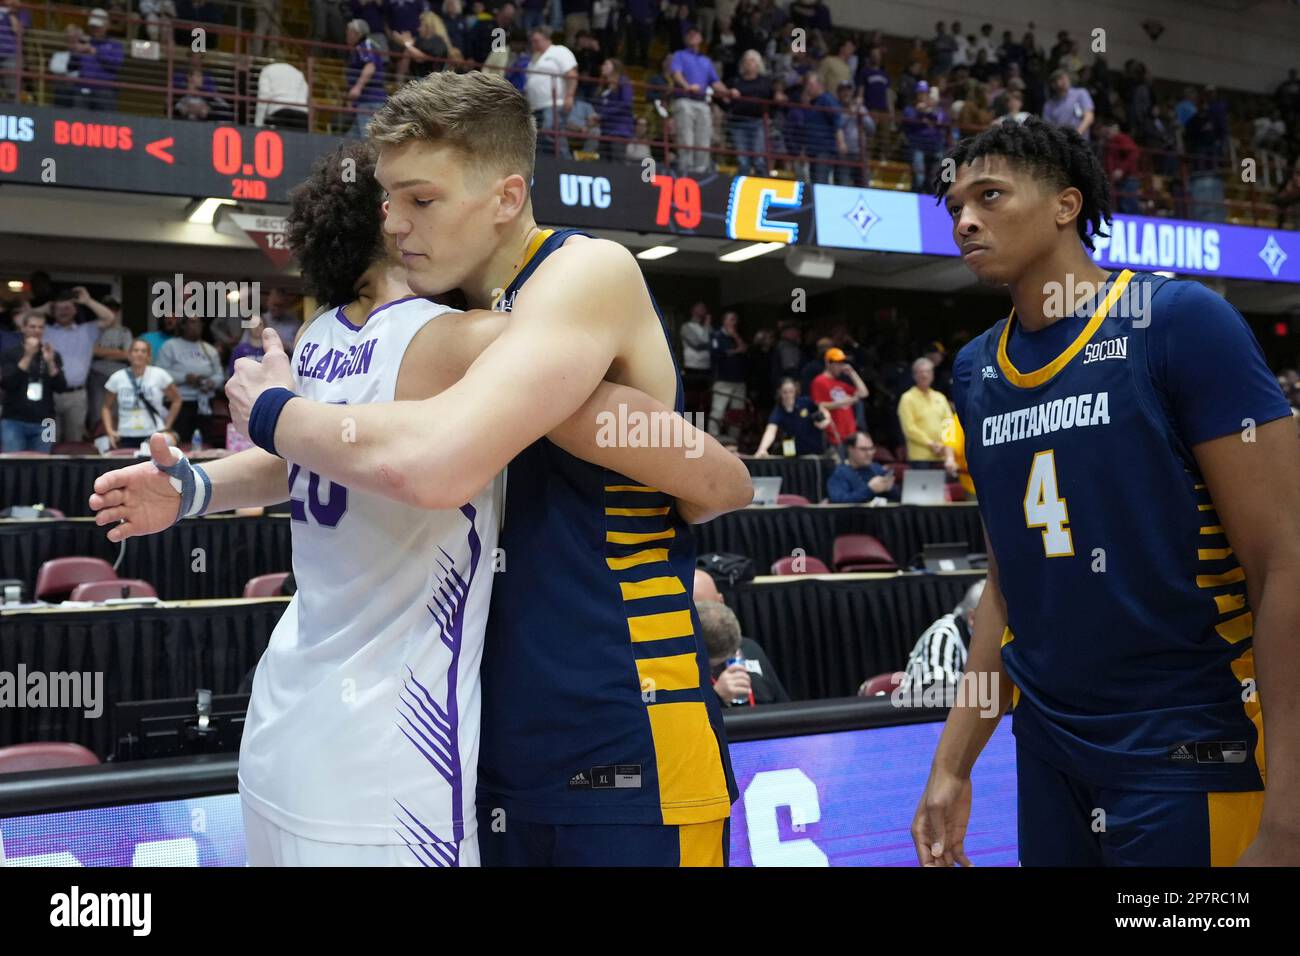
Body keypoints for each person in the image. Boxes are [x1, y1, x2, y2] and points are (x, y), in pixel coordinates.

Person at [90, 140, 747, 866]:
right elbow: (699, 468)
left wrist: (203, 484)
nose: (413, 220)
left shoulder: (314, 343)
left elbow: (332, 446)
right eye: (406, 205)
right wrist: (708, 477)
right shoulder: (466, 340)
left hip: (286, 722)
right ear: (390, 229)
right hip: (395, 752)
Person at [915, 116, 1300, 866]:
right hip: (1050, 751)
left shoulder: (1179, 322)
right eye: (955, 205)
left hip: (1192, 746)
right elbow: (1006, 583)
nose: (965, 220)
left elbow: (1283, 564)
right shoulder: (974, 370)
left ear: (1066, 204)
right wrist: (953, 763)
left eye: (989, 195)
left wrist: (1290, 812)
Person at [693, 571, 789, 706]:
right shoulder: (672, 664)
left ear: (721, 601)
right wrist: (717, 697)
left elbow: (785, 707)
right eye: (696, 612)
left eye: (709, 607)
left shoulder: (749, 648)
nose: (706, 616)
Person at [38, 288, 117, 444]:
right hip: (49, 396)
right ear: (53, 311)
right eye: (59, 308)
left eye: (67, 307)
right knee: (48, 441)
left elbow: (110, 318)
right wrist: (43, 308)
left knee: (74, 443)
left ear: (75, 310)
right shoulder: (44, 331)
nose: (63, 312)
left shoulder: (87, 330)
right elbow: (20, 321)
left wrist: (88, 301)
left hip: (76, 397)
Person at [891, 580, 985, 693]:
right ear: (972, 618)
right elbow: (940, 694)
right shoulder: (943, 636)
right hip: (919, 703)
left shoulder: (986, 641)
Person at [0, 312, 65, 453]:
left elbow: (61, 387)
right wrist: (28, 355)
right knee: (14, 463)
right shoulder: (9, 353)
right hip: (13, 420)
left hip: (46, 421)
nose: (37, 331)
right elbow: (7, 383)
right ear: (23, 328)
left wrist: (50, 363)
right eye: (32, 327)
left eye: (40, 327)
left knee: (43, 463)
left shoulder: (52, 354)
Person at [101, 340, 181, 449]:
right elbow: (106, 407)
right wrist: (109, 431)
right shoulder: (117, 377)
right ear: (129, 355)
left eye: (143, 351)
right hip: (126, 434)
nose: (139, 354)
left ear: (149, 356)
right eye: (136, 350)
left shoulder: (159, 375)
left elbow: (176, 400)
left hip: (154, 433)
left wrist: (167, 426)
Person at [670, 27, 728, 176]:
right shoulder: (679, 55)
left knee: (703, 141)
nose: (692, 35)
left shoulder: (706, 61)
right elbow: (676, 74)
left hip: (702, 102)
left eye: (695, 34)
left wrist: (728, 92)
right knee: (686, 139)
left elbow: (715, 82)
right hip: (684, 100)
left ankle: (700, 173)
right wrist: (687, 86)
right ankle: (684, 171)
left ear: (701, 38)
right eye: (689, 34)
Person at [158, 315, 223, 441]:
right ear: (183, 325)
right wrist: (185, 378)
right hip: (180, 403)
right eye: (193, 322)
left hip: (204, 403)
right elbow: (161, 373)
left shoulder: (209, 349)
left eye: (199, 323)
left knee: (204, 441)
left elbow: (219, 375)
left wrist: (211, 382)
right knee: (180, 440)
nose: (198, 326)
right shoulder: (170, 346)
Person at [524, 25, 578, 158]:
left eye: (536, 41)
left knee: (551, 132)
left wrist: (570, 96)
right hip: (536, 107)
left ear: (546, 38)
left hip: (553, 104)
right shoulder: (534, 59)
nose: (533, 44)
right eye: (532, 42)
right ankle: (549, 166)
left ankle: (566, 164)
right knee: (540, 141)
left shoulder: (559, 51)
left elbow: (571, 74)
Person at [897, 356, 956, 472]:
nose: (924, 375)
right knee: (922, 485)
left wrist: (944, 446)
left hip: (942, 454)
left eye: (928, 371)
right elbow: (909, 428)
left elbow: (950, 424)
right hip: (920, 456)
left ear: (932, 374)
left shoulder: (940, 397)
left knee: (942, 484)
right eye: (921, 372)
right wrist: (931, 444)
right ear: (914, 375)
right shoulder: (907, 398)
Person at [809, 345, 867, 456]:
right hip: (834, 436)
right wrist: (847, 401)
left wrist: (852, 373)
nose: (841, 366)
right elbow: (820, 405)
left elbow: (863, 393)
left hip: (850, 435)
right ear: (828, 363)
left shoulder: (841, 384)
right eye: (837, 363)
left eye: (842, 363)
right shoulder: (819, 381)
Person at [88, 295, 133, 431]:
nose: (111, 311)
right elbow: (92, 351)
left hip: (119, 377)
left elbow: (128, 354)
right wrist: (118, 351)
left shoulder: (124, 331)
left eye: (114, 309)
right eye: (107, 308)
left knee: (118, 414)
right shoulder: (93, 329)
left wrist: (103, 352)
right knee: (97, 414)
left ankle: (115, 441)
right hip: (97, 376)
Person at [726, 49, 772, 176]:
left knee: (759, 158)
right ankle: (742, 183)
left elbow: (772, 100)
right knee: (742, 160)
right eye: (746, 60)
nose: (748, 63)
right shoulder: (735, 81)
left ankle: (762, 183)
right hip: (738, 123)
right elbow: (722, 98)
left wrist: (769, 116)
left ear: (758, 64)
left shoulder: (765, 82)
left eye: (751, 60)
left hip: (758, 122)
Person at [754, 377, 826, 457]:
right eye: (785, 392)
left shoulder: (805, 402)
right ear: (780, 392)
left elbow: (822, 408)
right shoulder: (778, 411)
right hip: (794, 453)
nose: (788, 395)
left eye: (791, 392)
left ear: (795, 391)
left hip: (815, 452)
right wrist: (762, 449)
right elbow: (771, 430)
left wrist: (825, 420)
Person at [345, 18, 389, 139]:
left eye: (349, 31)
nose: (346, 34)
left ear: (357, 33)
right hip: (363, 101)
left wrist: (357, 88)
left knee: (367, 139)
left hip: (370, 100)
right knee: (351, 141)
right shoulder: (360, 47)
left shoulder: (365, 45)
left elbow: (370, 66)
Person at [827, 430, 897, 503]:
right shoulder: (840, 474)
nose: (869, 453)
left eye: (871, 448)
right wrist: (869, 490)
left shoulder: (877, 469)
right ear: (850, 449)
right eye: (863, 449)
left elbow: (899, 499)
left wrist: (890, 488)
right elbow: (839, 501)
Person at [708, 309, 747, 438]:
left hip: (739, 380)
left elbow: (744, 350)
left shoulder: (738, 336)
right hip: (723, 379)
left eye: (735, 320)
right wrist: (735, 351)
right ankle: (713, 437)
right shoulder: (717, 335)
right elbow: (717, 354)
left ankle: (734, 438)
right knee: (718, 410)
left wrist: (735, 336)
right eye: (731, 319)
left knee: (737, 411)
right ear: (724, 321)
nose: (733, 322)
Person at [1042, 68, 1093, 140]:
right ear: (1053, 84)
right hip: (1061, 143)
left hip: (1081, 141)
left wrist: (1077, 134)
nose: (1064, 80)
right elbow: (1047, 128)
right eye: (1060, 78)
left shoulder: (1081, 93)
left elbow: (1089, 116)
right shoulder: (1049, 105)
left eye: (1065, 77)